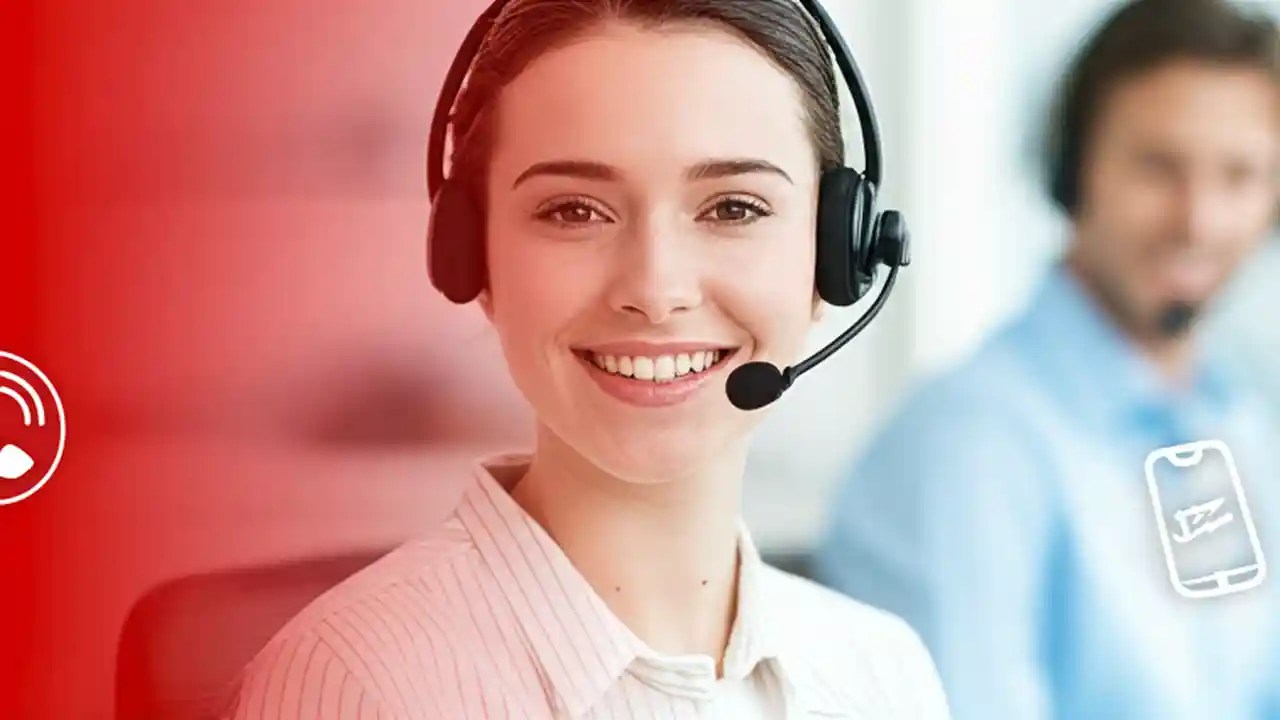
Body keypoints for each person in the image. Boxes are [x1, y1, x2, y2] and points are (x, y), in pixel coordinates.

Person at [219, 0, 949, 718]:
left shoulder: (882, 674)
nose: (656, 291)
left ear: (837, 255)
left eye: (733, 208)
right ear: (472, 256)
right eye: (574, 210)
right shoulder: (356, 687)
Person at [815, 1, 1280, 719]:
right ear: (1075, 170)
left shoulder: (1231, 418)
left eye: (1240, 175)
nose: (1200, 220)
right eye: (1159, 167)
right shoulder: (972, 446)